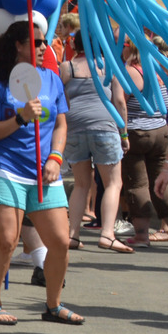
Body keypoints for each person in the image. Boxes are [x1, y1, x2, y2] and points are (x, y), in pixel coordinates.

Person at [0, 21, 78, 325]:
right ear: (18, 45)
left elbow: (61, 124)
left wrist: (56, 158)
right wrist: (20, 118)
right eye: (36, 42)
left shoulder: (51, 79)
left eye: (44, 41)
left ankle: (53, 305)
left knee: (60, 241)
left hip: (44, 170)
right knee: (6, 241)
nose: (44, 46)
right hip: (3, 167)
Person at [58, 20, 130, 253]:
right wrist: (124, 133)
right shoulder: (109, 66)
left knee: (80, 184)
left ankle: (72, 234)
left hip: (74, 128)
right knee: (112, 183)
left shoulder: (66, 67)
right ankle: (107, 234)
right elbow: (119, 101)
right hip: (104, 127)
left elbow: (59, 98)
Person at [122, 39, 168, 248]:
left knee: (137, 183)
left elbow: (121, 103)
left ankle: (142, 235)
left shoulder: (131, 72)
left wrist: (122, 133)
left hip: (137, 131)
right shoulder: (158, 73)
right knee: (161, 181)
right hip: (160, 131)